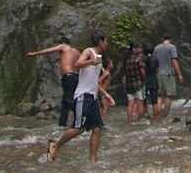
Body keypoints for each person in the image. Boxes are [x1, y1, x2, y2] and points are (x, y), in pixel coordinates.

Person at [46, 31, 115, 163]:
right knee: (79, 128)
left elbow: (94, 81)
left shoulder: (98, 59)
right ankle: (56, 145)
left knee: (97, 128)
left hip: (93, 96)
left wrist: (106, 95)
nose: (107, 44)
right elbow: (77, 64)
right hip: (83, 96)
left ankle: (92, 160)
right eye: (105, 41)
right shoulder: (88, 51)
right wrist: (90, 61)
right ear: (100, 42)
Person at [26, 37, 80, 127]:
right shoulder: (77, 52)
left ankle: (79, 118)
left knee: (69, 101)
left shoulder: (64, 47)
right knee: (66, 102)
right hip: (75, 77)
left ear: (63, 43)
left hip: (68, 76)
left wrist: (35, 54)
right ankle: (63, 124)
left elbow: (50, 50)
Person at [153, 32, 184, 117]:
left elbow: (154, 62)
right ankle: (165, 114)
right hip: (168, 74)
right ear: (171, 39)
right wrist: (179, 74)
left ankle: (158, 113)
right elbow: (174, 61)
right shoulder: (172, 47)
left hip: (158, 74)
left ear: (162, 39)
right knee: (169, 95)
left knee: (159, 95)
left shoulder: (156, 48)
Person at [124, 41, 146, 123]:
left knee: (130, 104)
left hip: (129, 84)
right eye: (139, 48)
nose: (141, 50)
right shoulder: (138, 60)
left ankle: (129, 121)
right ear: (134, 49)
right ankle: (140, 120)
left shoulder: (127, 60)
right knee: (140, 102)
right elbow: (142, 72)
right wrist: (144, 80)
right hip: (137, 84)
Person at [143, 44, 159, 120]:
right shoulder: (155, 59)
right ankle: (155, 118)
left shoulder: (142, 59)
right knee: (154, 101)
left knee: (143, 100)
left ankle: (144, 116)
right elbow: (157, 71)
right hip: (153, 80)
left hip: (144, 81)